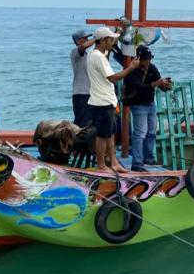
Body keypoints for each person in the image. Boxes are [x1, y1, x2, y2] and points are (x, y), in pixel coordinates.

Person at [87, 27, 139, 173]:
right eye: (110, 40)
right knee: (102, 135)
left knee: (110, 133)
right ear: (103, 41)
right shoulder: (98, 57)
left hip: (107, 101)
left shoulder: (96, 54)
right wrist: (131, 67)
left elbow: (107, 49)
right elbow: (114, 77)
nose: (112, 43)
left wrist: (118, 33)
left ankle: (114, 162)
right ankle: (101, 165)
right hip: (102, 102)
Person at [123, 45, 172, 172]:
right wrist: (156, 84)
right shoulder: (131, 71)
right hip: (138, 105)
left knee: (151, 132)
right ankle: (137, 163)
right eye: (145, 59)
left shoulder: (152, 68)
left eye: (149, 59)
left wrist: (164, 86)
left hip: (150, 103)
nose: (148, 61)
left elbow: (158, 81)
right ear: (138, 59)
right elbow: (139, 87)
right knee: (140, 134)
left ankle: (148, 157)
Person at [71, 29, 96, 127]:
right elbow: (83, 46)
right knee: (82, 123)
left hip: (90, 93)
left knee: (90, 123)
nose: (87, 39)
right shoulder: (75, 53)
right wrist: (97, 38)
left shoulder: (87, 55)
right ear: (78, 41)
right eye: (85, 38)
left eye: (87, 38)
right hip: (81, 94)